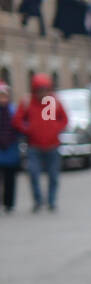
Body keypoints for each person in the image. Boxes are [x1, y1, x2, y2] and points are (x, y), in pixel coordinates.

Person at [14, 73, 67, 211]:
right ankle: (38, 200)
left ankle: (51, 201)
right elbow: (18, 120)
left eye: (45, 89)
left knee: (53, 176)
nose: (42, 93)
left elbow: (65, 119)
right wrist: (28, 129)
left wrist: (56, 128)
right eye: (39, 90)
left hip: (52, 145)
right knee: (33, 174)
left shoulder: (54, 101)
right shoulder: (27, 102)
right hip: (34, 146)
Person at [0, 83, 20, 213]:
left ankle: (9, 203)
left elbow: (19, 127)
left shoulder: (14, 110)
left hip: (11, 149)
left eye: (4, 96)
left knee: (10, 178)